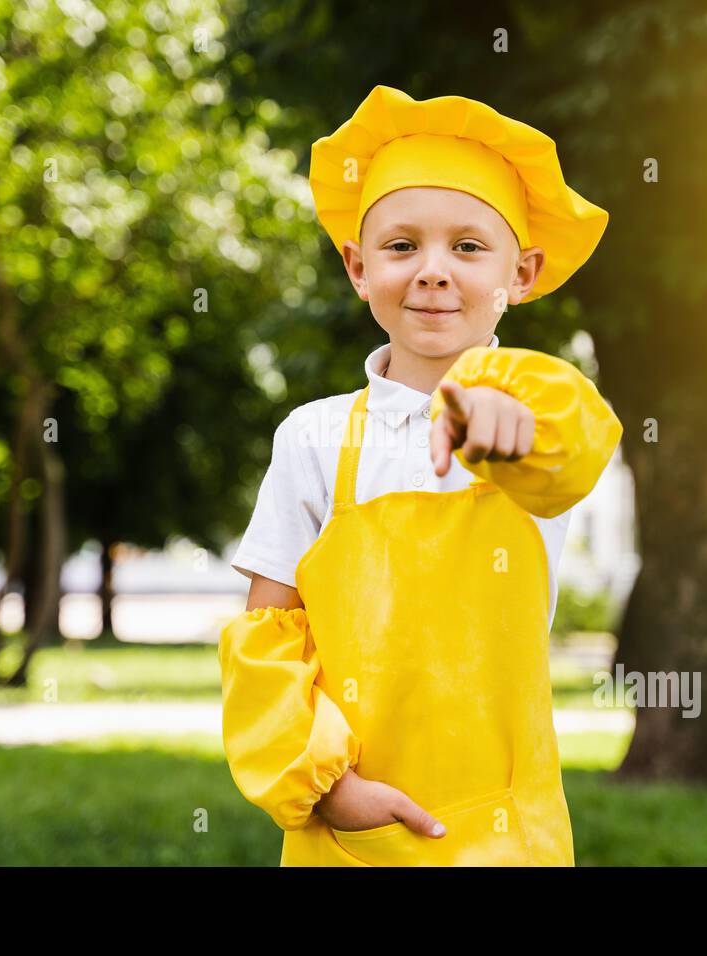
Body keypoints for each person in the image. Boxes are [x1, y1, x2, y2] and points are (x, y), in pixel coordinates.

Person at [219, 85, 622, 866]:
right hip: (346, 827)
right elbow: (267, 637)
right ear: (357, 268)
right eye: (403, 247)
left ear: (524, 271)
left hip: (507, 834)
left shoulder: (532, 413)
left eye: (469, 247)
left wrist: (508, 421)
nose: (434, 271)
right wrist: (327, 784)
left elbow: (572, 442)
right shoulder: (313, 438)